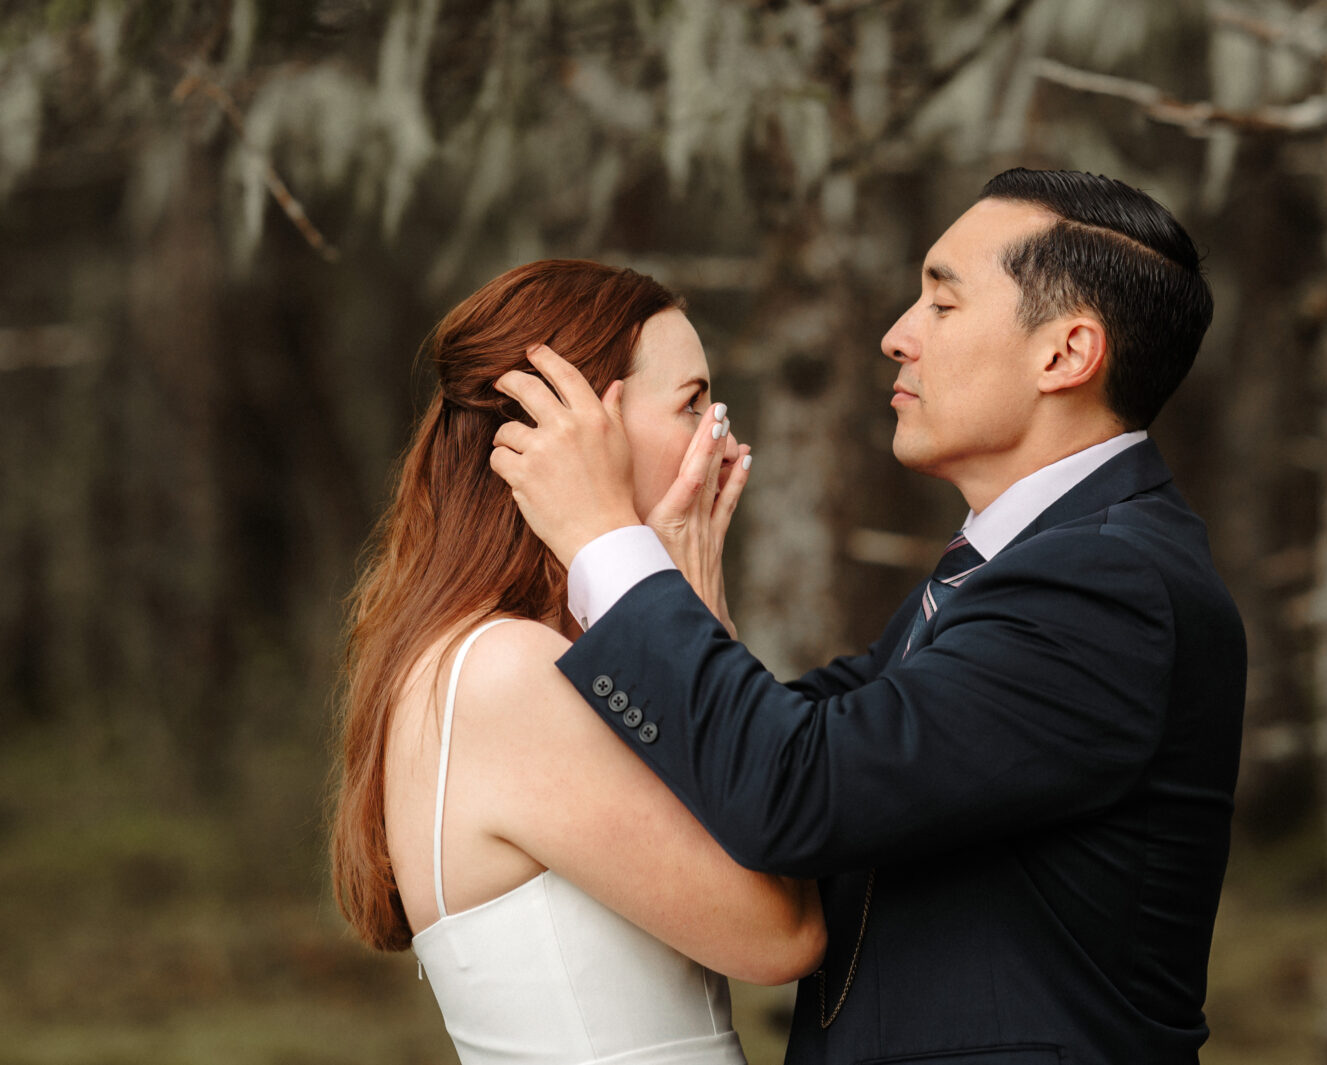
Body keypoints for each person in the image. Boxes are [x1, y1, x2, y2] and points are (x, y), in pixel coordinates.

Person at [487, 169, 1248, 1065]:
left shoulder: (1109, 586)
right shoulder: (1017, 570)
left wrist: (603, 539)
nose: (897, 336)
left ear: (1064, 354)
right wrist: (688, 605)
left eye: (942, 303)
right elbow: (802, 750)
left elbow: (798, 793)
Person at [329, 259, 826, 1065]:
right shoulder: (507, 671)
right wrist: (695, 625)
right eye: (694, 403)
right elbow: (783, 932)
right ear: (576, 425)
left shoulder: (501, 654)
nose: (721, 437)